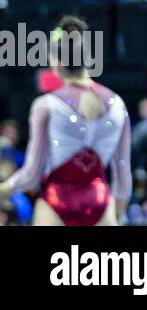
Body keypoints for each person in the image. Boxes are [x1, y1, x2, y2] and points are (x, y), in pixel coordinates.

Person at [0, 17, 131, 225]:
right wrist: (118, 212)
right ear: (88, 59)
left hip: (56, 201)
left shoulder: (46, 104)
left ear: (56, 63)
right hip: (99, 200)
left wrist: (3, 190)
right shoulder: (117, 103)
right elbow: (122, 176)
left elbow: (32, 174)